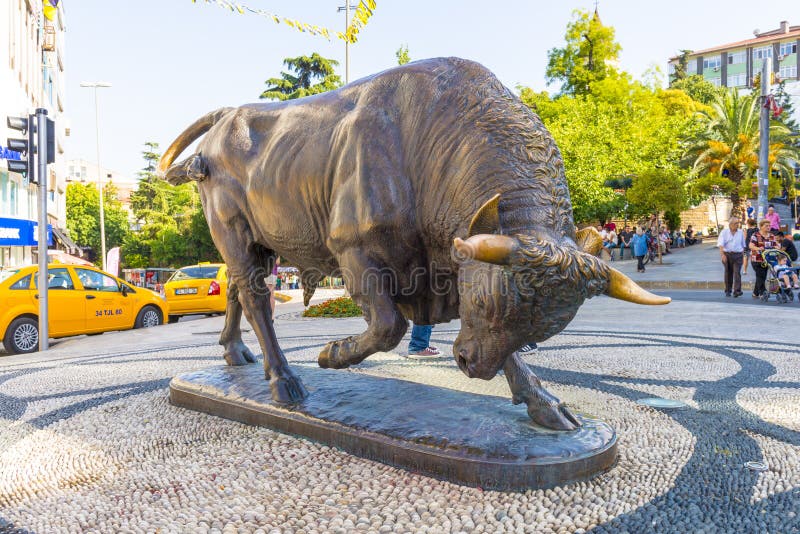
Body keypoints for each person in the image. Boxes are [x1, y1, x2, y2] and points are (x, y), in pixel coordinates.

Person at [749, 220, 780, 298]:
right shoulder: (755, 235)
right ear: (761, 226)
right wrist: (758, 248)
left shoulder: (771, 236)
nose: (768, 227)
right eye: (766, 226)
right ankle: (763, 292)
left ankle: (755, 293)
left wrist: (777, 247)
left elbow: (776, 245)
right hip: (756, 259)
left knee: (762, 276)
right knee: (760, 275)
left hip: (767, 259)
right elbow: (751, 246)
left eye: (769, 226)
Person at [717, 216, 746, 297]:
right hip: (727, 254)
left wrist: (743, 255)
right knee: (728, 272)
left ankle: (737, 291)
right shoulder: (724, 232)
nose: (738, 224)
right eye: (736, 223)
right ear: (730, 224)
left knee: (737, 272)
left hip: (738, 255)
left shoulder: (740, 232)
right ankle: (728, 290)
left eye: (738, 223)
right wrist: (722, 255)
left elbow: (743, 245)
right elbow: (721, 244)